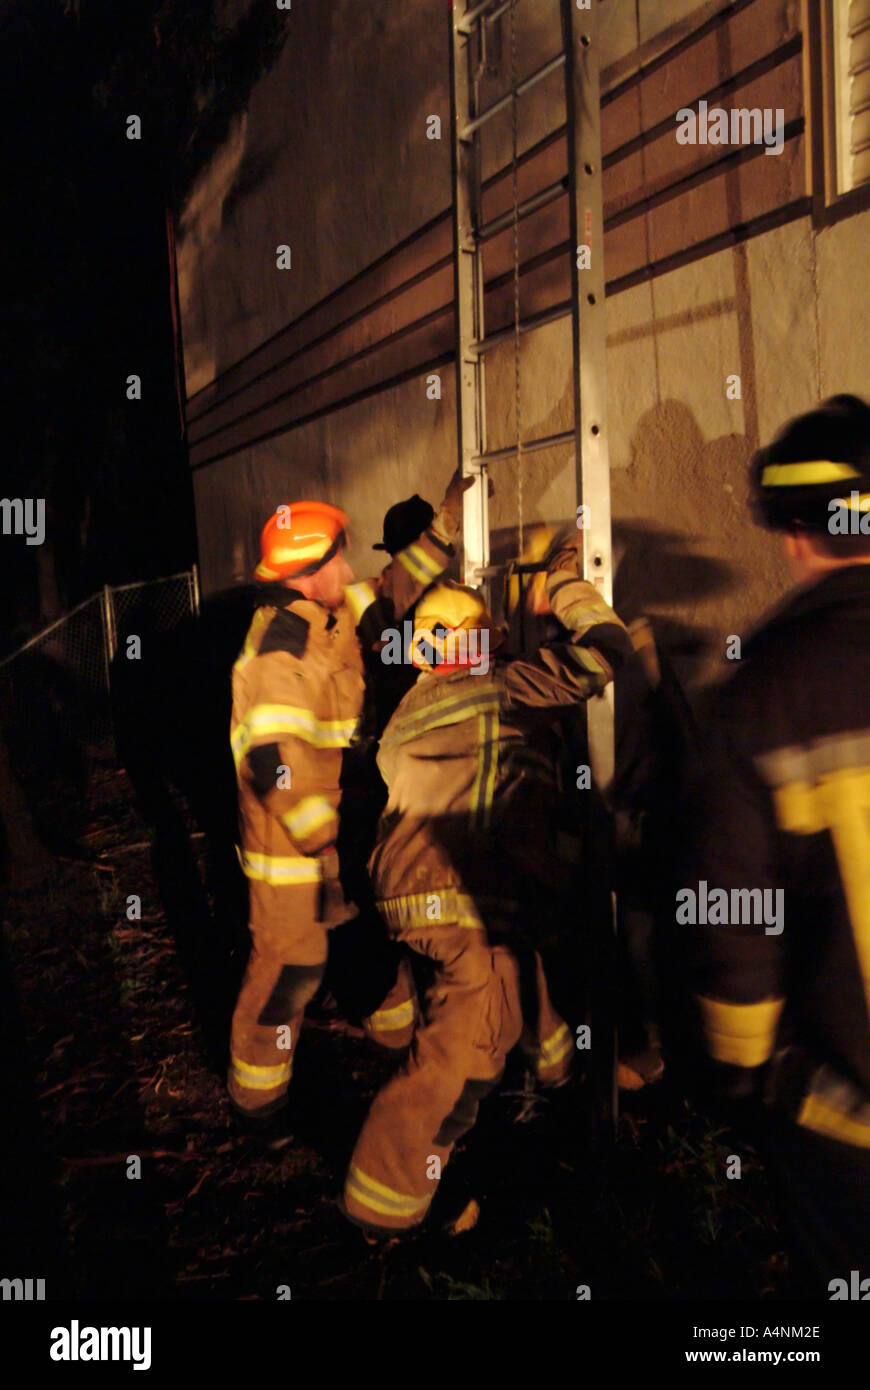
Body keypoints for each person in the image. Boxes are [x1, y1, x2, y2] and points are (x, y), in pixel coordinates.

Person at [341, 538, 631, 1234]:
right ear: (486, 643)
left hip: (413, 893)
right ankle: (389, 1201)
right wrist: (564, 584)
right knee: (464, 1056)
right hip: (464, 895)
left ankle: (561, 1071)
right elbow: (605, 652)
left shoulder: (411, 704)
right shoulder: (507, 688)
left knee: (511, 977)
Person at [687, 394, 870, 1287]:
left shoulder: (766, 689)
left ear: (797, 532)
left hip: (848, 1126)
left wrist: (741, 1070)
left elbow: (734, 907)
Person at [227, 473, 471, 1120]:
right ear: (310, 570)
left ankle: (396, 1048)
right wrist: (323, 843)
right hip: (295, 858)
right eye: (336, 555)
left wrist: (445, 522)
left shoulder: (334, 614)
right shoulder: (277, 652)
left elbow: (400, 580)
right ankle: (259, 1104)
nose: (346, 564)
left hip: (349, 833)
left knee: (371, 943)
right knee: (290, 973)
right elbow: (272, 761)